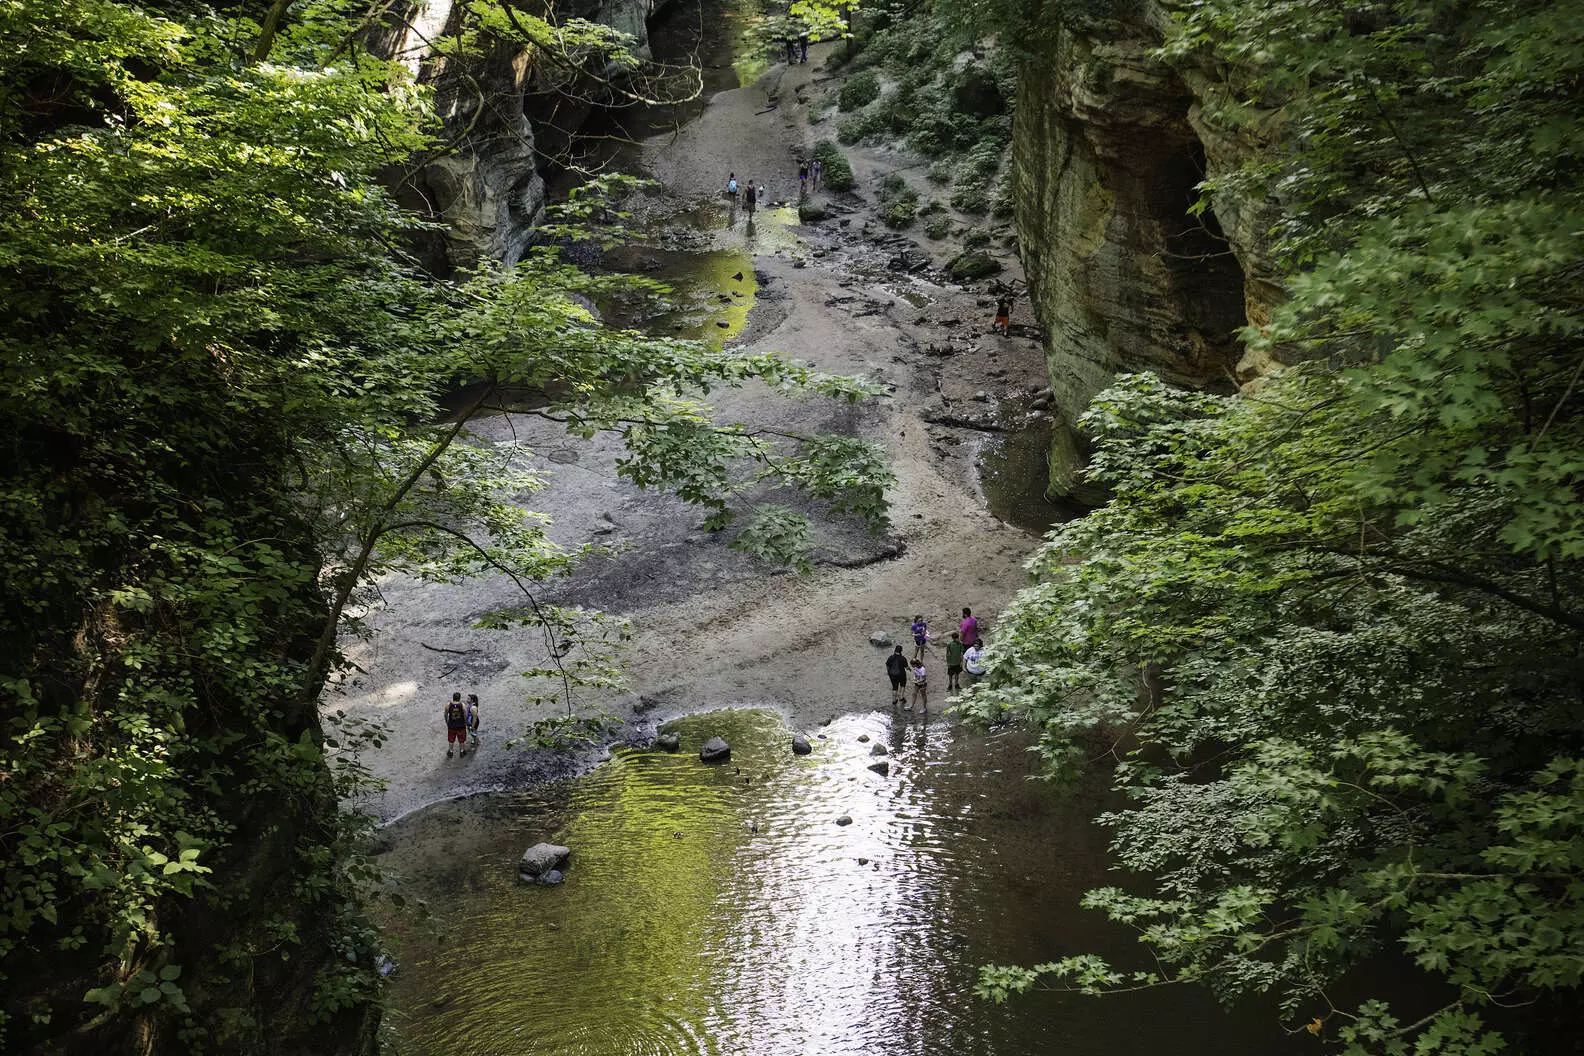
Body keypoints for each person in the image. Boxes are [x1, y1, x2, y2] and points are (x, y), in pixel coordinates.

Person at [443, 692, 467, 758]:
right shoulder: (462, 705)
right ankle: (462, 751)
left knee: (451, 739)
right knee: (461, 739)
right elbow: (465, 715)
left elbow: (445, 715)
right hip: (461, 726)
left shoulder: (448, 705)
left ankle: (451, 751)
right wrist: (465, 722)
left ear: (453, 698)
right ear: (459, 698)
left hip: (452, 725)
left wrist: (447, 722)